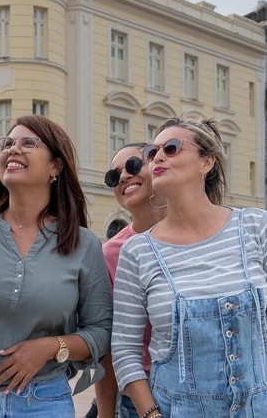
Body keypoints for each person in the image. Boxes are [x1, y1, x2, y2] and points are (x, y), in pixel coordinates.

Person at [112, 117, 267, 418]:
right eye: (152, 152)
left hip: (261, 409)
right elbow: (124, 348)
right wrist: (150, 414)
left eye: (172, 148)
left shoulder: (256, 226)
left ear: (207, 162)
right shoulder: (137, 251)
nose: (158, 157)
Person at [0, 116, 112, 417]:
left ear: (55, 167)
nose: (13, 149)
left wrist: (49, 347)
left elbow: (101, 331)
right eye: (8, 143)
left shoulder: (83, 244)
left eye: (28, 143)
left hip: (44, 403)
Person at [92, 142, 163, 418]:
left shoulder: (204, 233)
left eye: (133, 165)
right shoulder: (111, 253)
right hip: (138, 400)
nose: (123, 177)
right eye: (114, 176)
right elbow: (109, 347)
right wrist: (106, 414)